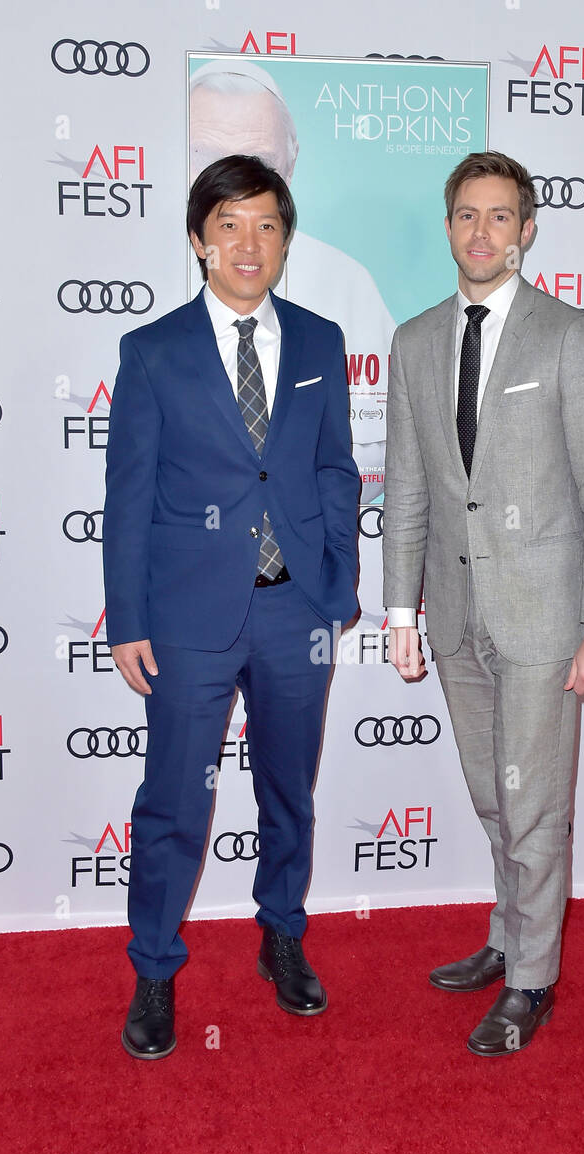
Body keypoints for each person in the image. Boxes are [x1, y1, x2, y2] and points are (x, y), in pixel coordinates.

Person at [382, 151, 584, 1057]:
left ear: (527, 229)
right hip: (454, 617)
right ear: (447, 227)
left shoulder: (571, 337)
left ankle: (533, 978)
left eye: (500, 216)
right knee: (496, 796)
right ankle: (507, 934)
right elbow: (408, 489)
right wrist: (401, 613)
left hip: (542, 621)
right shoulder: (414, 343)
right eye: (465, 216)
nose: (481, 233)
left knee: (533, 804)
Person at [103, 155, 360, 1059]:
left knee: (289, 789)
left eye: (267, 226)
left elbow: (336, 469)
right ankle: (155, 969)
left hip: (297, 612)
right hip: (186, 620)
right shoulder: (154, 351)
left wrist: (338, 585)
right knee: (173, 800)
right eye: (230, 226)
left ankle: (281, 934)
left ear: (285, 240)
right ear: (199, 239)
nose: (249, 244)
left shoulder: (322, 341)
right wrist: (127, 618)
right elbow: (129, 495)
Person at [189, 57, 395, 503]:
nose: (234, 181)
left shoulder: (344, 290)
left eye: (259, 161)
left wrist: (336, 566)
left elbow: (364, 461)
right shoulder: (151, 346)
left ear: (291, 159)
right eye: (205, 157)